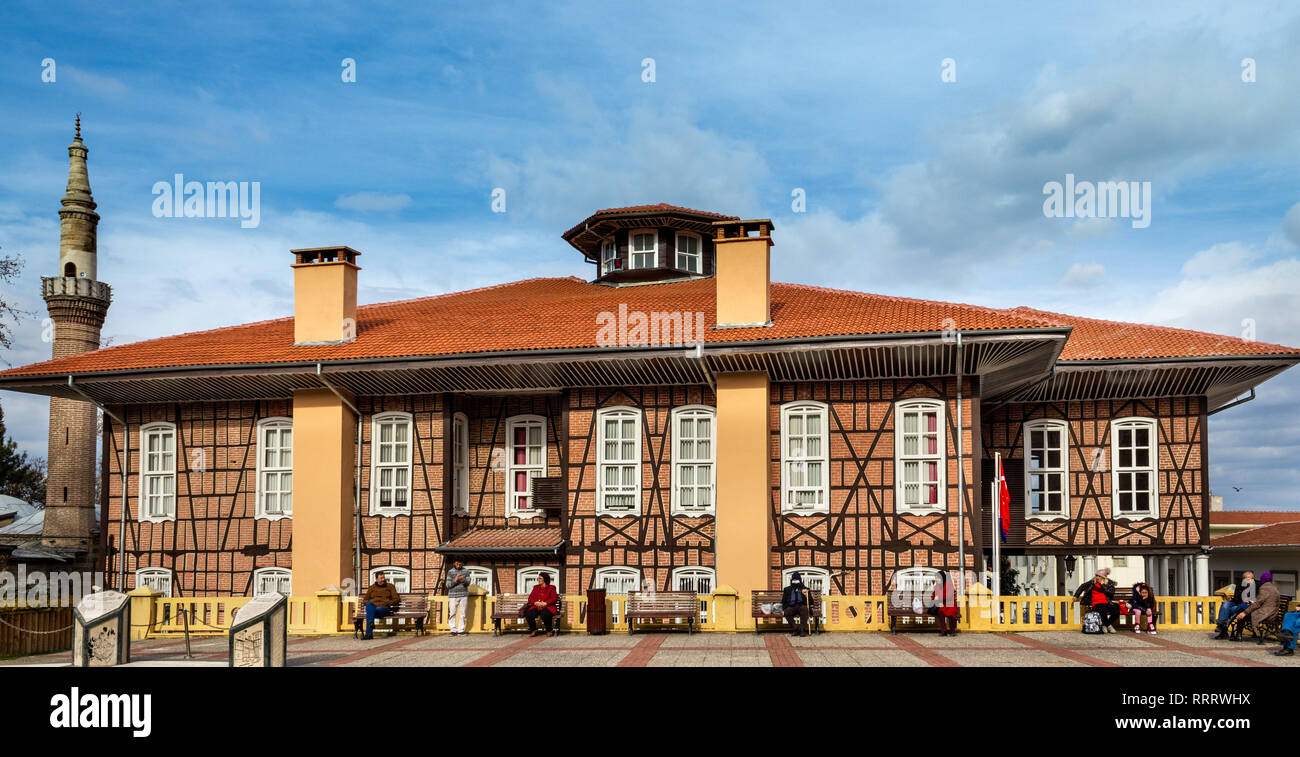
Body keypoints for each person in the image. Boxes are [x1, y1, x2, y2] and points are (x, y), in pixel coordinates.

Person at [1232, 571, 1280, 644]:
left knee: (1242, 613)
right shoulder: (1274, 587)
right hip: (1273, 612)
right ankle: (1237, 633)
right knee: (1242, 610)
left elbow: (1257, 604)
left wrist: (1244, 613)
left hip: (1266, 614)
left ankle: (1238, 635)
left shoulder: (1264, 588)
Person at [1073, 568, 1119, 633]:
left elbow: (1111, 593)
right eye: (1096, 575)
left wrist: (1102, 586)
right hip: (1096, 603)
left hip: (1107, 602)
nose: (1097, 577)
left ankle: (1105, 625)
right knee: (1102, 609)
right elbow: (1082, 586)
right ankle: (1109, 626)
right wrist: (1076, 596)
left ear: (1103, 577)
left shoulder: (1109, 583)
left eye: (1099, 576)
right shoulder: (1092, 582)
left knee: (1116, 610)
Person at [1213, 571, 1256, 640]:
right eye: (1247, 579)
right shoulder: (1240, 586)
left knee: (1240, 607)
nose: (1249, 581)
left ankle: (1223, 629)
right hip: (1238, 605)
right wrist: (1230, 599)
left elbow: (1258, 599)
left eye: (1251, 579)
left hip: (1248, 607)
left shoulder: (1257, 586)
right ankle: (1220, 625)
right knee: (1225, 604)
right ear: (1243, 579)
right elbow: (1236, 599)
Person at [361, 571, 400, 640]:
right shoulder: (371, 588)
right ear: (376, 579)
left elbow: (396, 599)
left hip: (384, 609)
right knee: (369, 604)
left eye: (384, 577)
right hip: (373, 609)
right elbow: (365, 600)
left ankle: (369, 634)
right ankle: (371, 624)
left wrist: (387, 602)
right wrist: (372, 603)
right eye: (381, 578)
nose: (383, 579)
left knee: (371, 612)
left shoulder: (390, 586)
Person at [523, 572, 559, 637]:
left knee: (545, 614)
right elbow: (530, 598)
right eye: (538, 578)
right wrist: (535, 602)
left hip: (548, 607)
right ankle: (533, 630)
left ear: (545, 579)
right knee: (529, 614)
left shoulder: (552, 588)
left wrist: (546, 603)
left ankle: (549, 630)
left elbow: (554, 598)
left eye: (540, 578)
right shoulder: (536, 587)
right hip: (537, 606)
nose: (538, 580)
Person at [928, 569, 960, 636]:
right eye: (936, 578)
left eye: (938, 578)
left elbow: (949, 595)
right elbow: (934, 596)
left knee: (951, 613)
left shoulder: (949, 585)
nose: (937, 580)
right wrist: (937, 601)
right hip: (942, 604)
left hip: (950, 603)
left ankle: (952, 630)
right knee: (941, 612)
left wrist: (939, 598)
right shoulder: (936, 586)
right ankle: (943, 630)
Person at [782, 571, 813, 637]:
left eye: (797, 580)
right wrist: (784, 609)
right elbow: (783, 601)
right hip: (792, 606)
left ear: (800, 580)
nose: (795, 581)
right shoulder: (787, 589)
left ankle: (802, 630)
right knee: (786, 612)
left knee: (805, 609)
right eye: (794, 580)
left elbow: (811, 601)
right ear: (792, 580)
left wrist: (806, 595)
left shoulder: (805, 589)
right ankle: (795, 628)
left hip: (802, 605)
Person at [445, 559, 471, 636]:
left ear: (462, 563)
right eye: (457, 563)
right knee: (452, 613)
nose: (459, 564)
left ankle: (461, 630)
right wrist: (455, 580)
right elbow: (448, 585)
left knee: (463, 614)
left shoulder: (466, 571)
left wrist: (462, 580)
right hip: (453, 596)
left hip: (464, 595)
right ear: (454, 563)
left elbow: (468, 583)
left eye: (460, 563)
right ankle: (453, 630)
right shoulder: (450, 572)